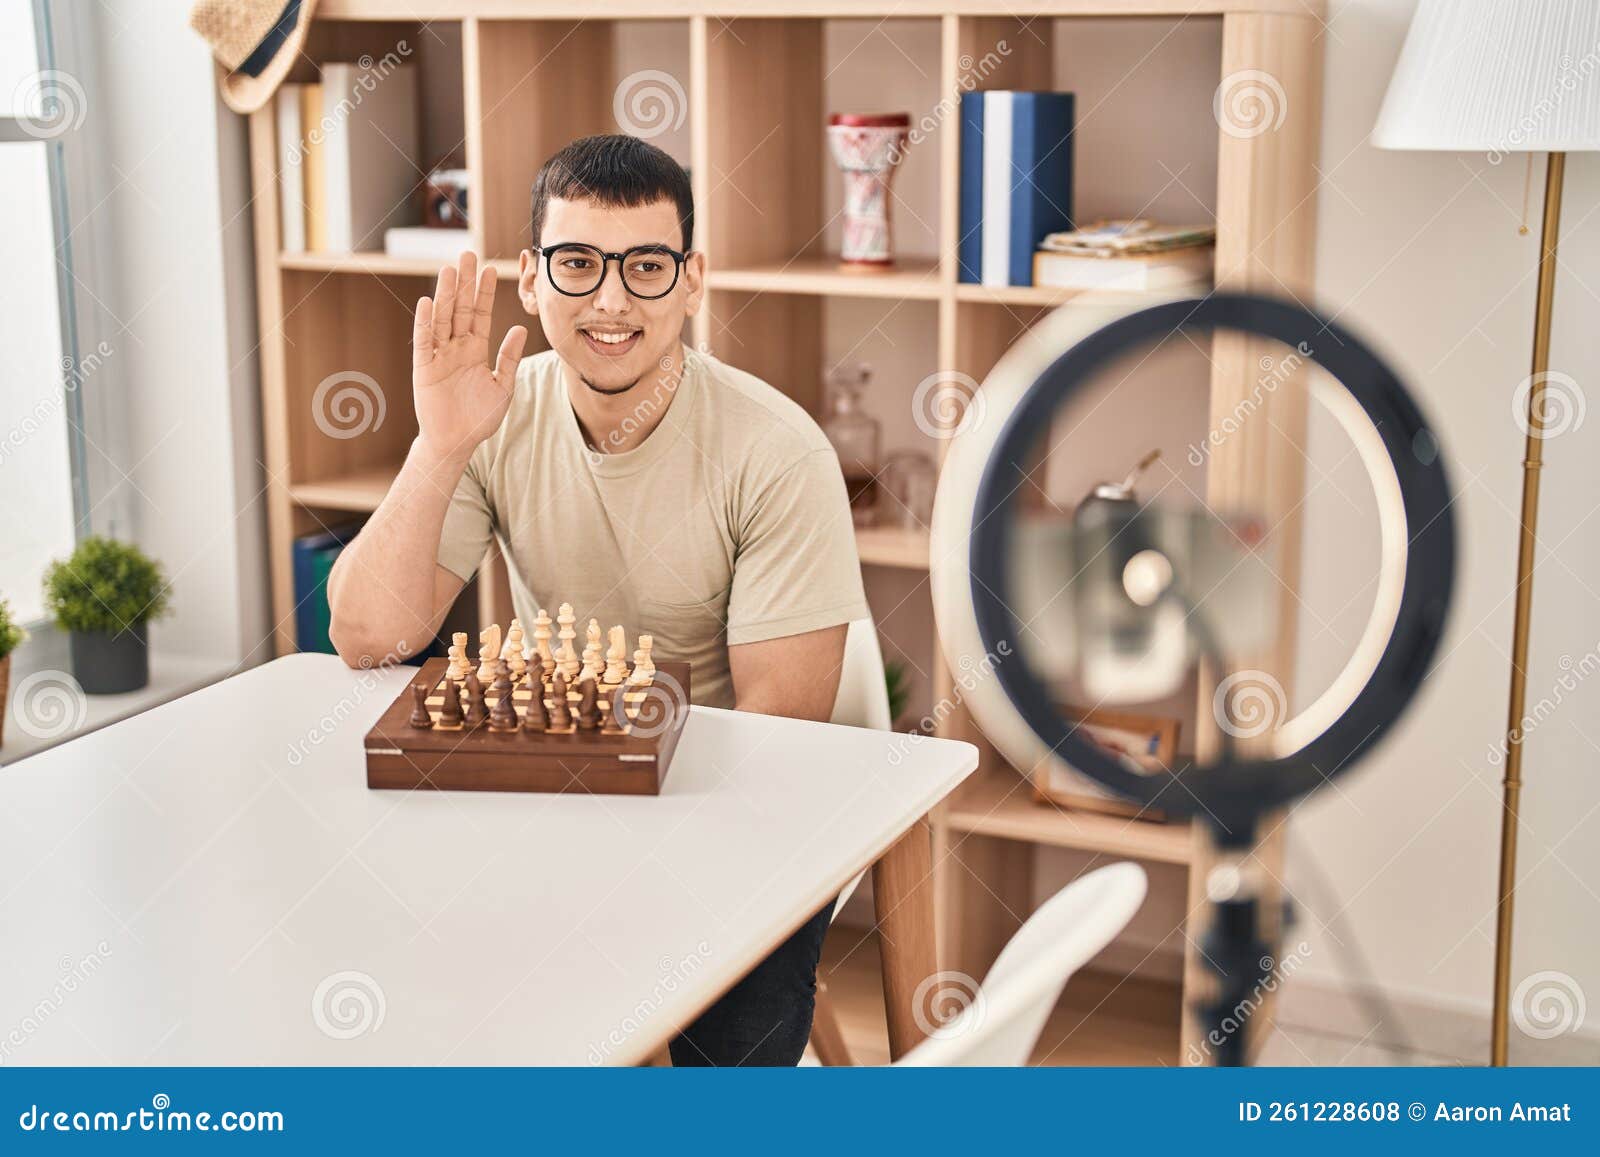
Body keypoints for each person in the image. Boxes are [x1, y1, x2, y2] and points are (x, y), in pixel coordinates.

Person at [327, 134, 870, 1066]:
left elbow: (782, 732)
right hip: (552, 791)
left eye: (646, 266)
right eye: (578, 263)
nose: (611, 301)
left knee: (729, 1056)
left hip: (729, 815)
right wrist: (440, 443)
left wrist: (621, 851)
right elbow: (369, 634)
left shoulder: (778, 452)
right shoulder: (494, 413)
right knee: (401, 980)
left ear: (691, 280)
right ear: (532, 281)